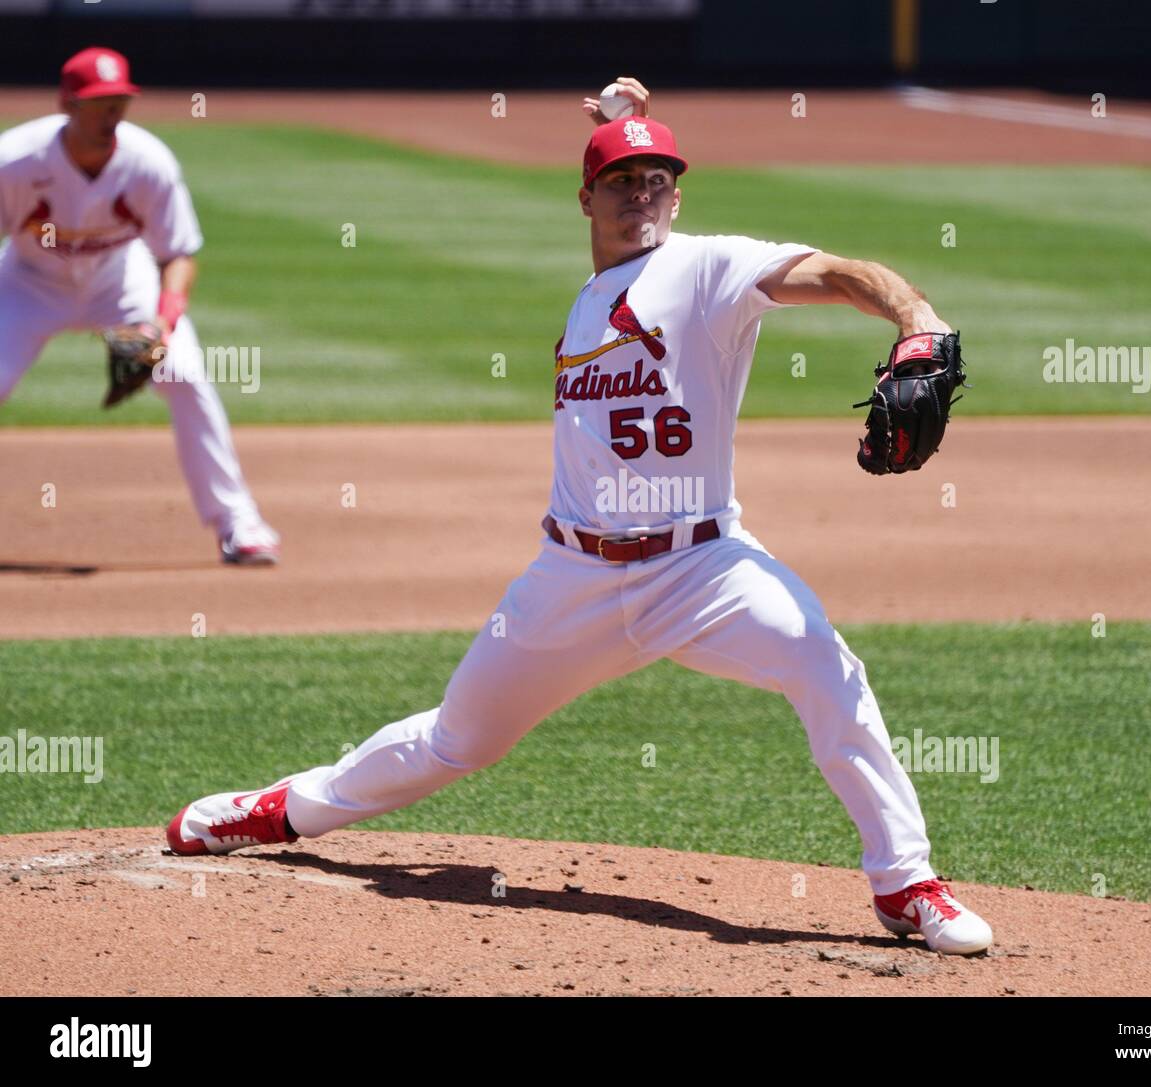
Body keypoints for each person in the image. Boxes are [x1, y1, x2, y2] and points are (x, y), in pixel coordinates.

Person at [166, 79, 992, 954]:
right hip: (570, 580)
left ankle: (906, 884)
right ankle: (278, 810)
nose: (641, 191)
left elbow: (833, 271)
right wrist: (616, 125)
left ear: (679, 193)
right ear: (586, 198)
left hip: (702, 568)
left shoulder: (711, 267)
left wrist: (915, 315)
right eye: (621, 178)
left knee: (826, 668)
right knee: (455, 740)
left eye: (656, 178)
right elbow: (624, 194)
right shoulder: (591, 298)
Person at [0, 46, 279, 565]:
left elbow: (179, 253)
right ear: (67, 103)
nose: (111, 114)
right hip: (27, 282)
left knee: (185, 373)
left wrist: (162, 322)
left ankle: (238, 524)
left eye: (119, 102)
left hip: (120, 283)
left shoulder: (148, 163)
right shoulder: (14, 161)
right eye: (98, 102)